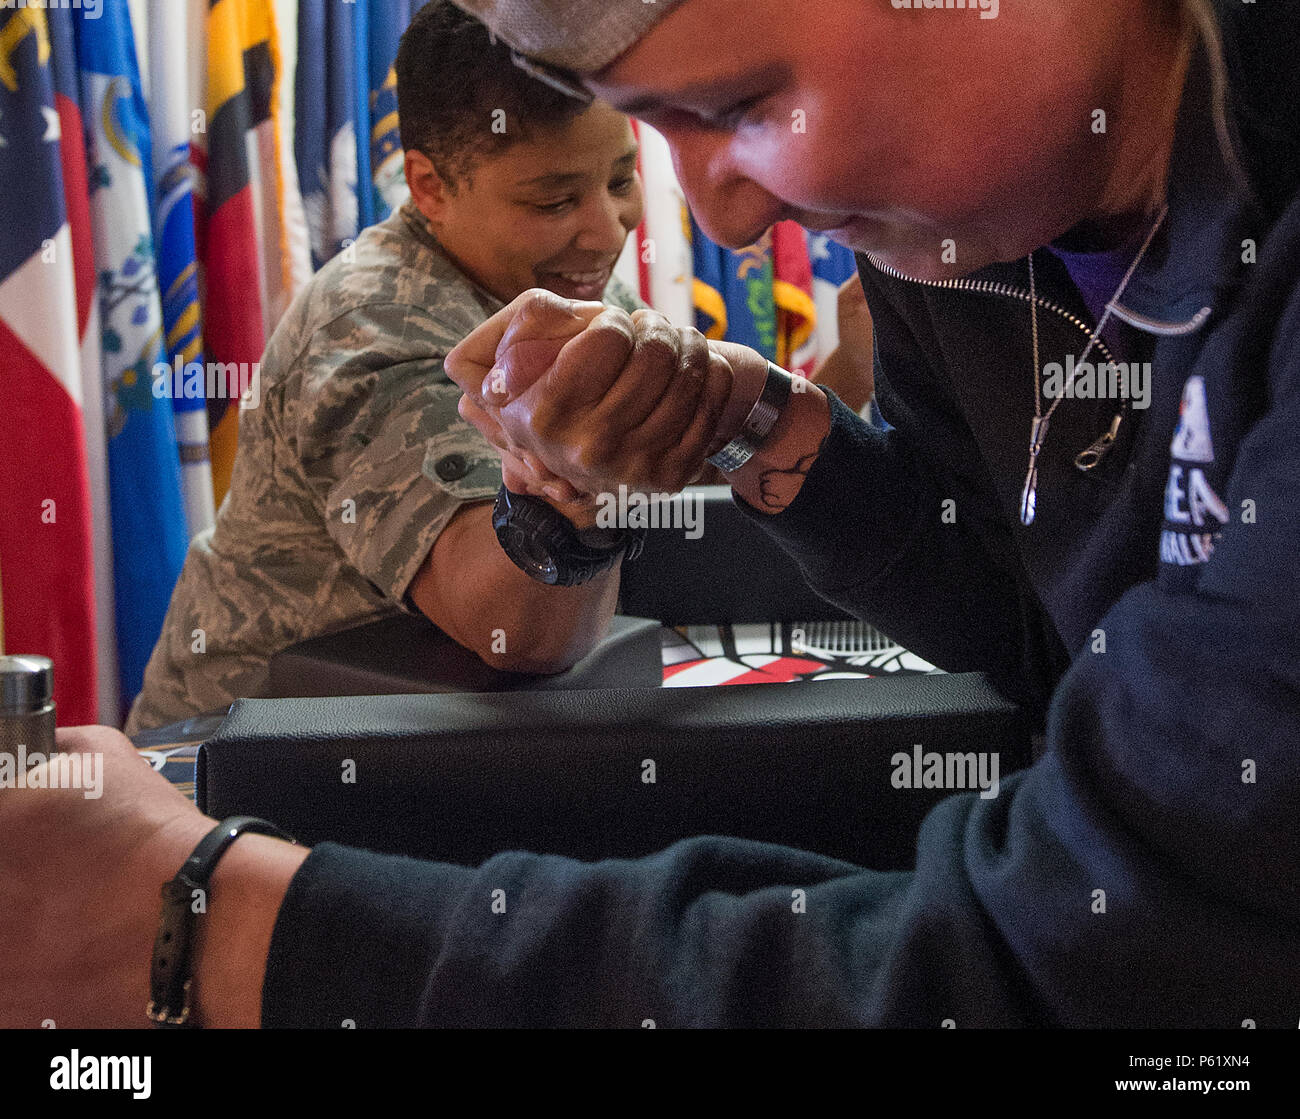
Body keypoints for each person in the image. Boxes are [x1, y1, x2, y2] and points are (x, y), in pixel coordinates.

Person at [4, 0, 1297, 1027]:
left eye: (744, 103)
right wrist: (765, 427)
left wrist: (221, 936)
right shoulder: (960, 244)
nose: (719, 221)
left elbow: (1092, 958)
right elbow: (1042, 634)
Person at [124, 1, 647, 734]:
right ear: (430, 187)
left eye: (621, 180)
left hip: (418, 737)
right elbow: (519, 633)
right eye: (555, 200)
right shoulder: (370, 324)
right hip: (227, 760)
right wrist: (586, 481)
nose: (607, 229)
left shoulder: (568, 281)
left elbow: (723, 476)